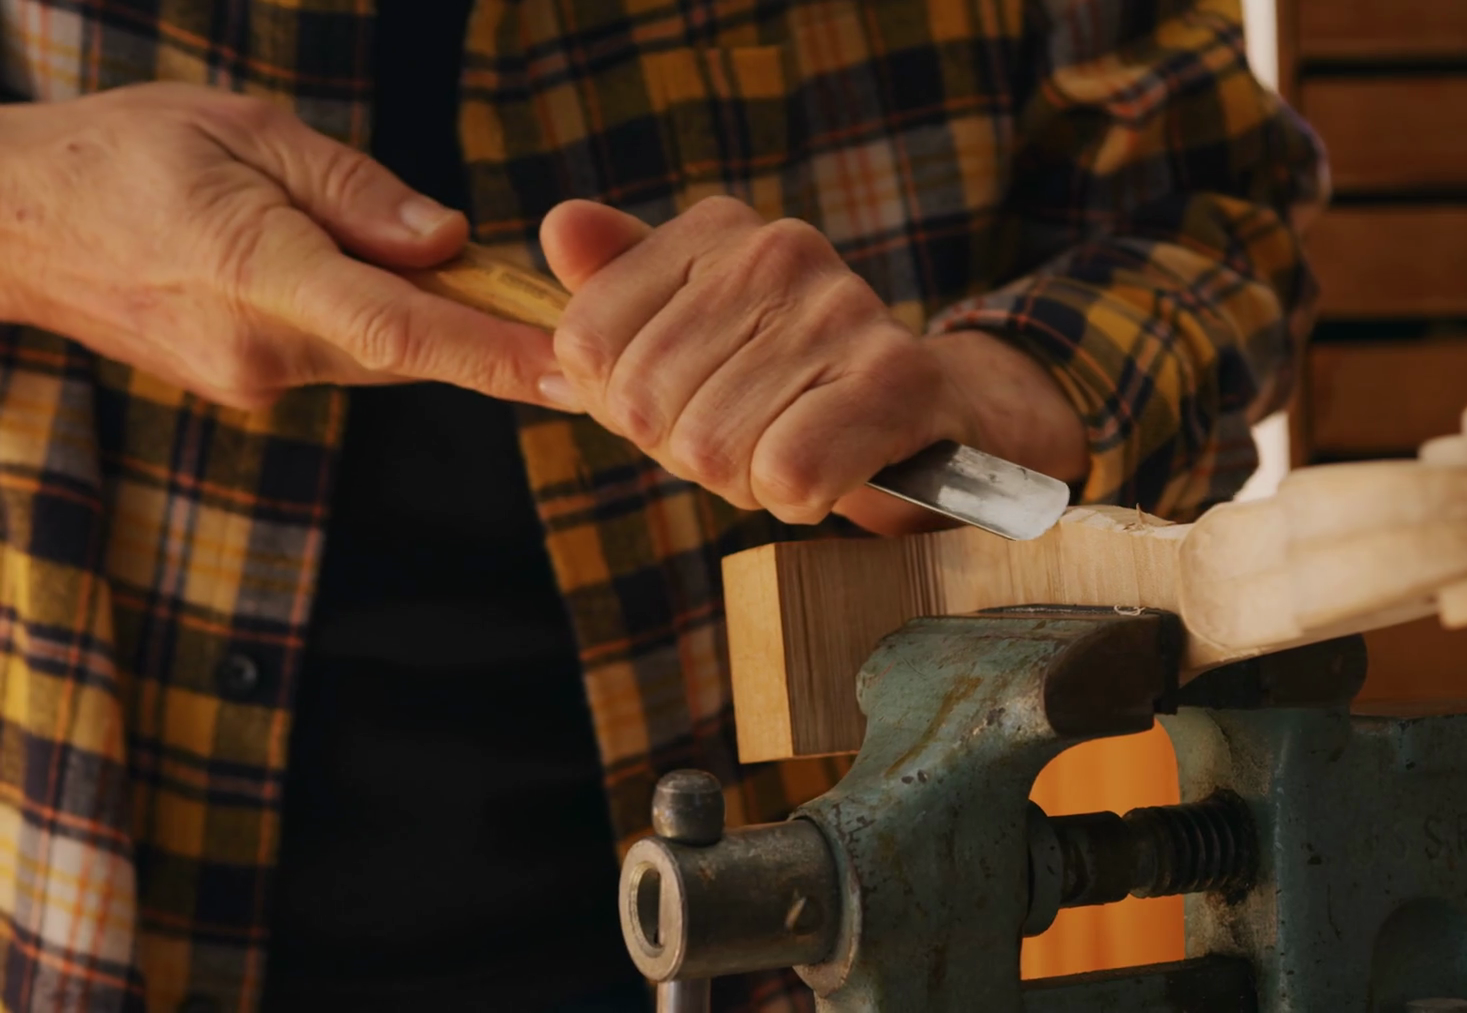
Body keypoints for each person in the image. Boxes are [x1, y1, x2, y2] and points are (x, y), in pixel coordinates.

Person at [0, 0, 1324, 1009]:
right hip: (74, 885)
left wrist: (1006, 387)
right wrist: (22, 207)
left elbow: (1217, 210)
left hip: (824, 908)